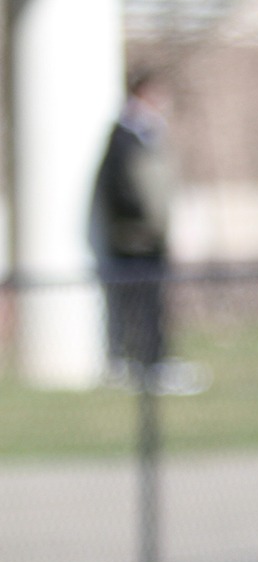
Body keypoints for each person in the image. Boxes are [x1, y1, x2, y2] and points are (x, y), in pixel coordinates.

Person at [92, 69, 177, 388]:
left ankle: (156, 360)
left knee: (155, 302)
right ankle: (135, 361)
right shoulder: (123, 135)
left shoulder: (152, 133)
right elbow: (120, 187)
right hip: (133, 238)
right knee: (134, 302)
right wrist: (139, 220)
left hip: (154, 236)